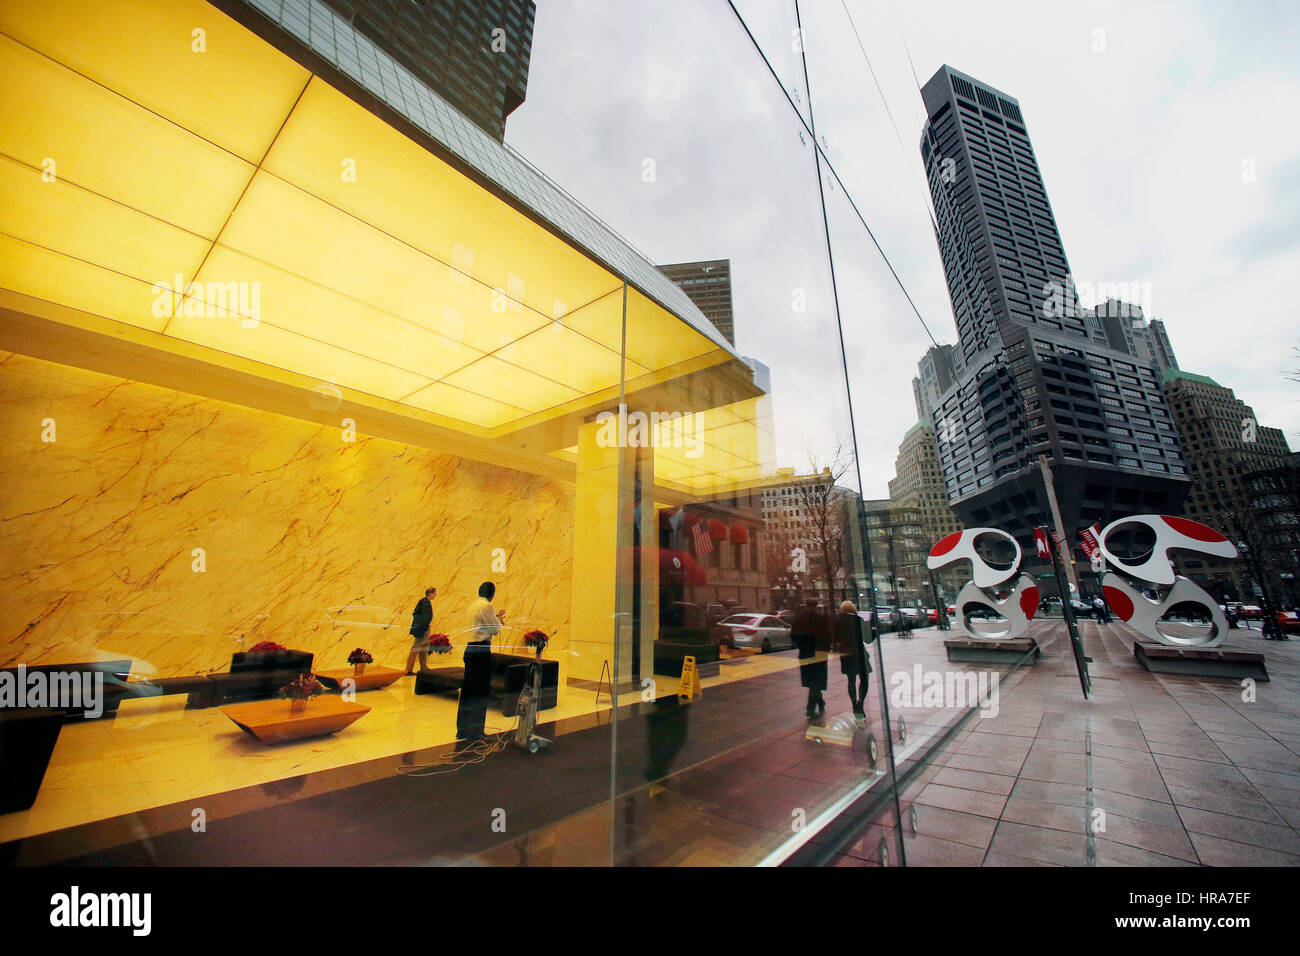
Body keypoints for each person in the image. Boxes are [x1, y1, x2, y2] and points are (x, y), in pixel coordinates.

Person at [457, 581, 503, 741]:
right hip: (481, 650)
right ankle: (476, 731)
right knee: (480, 690)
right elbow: (495, 629)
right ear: (492, 594)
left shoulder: (472, 606)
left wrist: (496, 620)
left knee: (468, 690)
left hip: (470, 649)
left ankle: (463, 729)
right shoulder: (487, 606)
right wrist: (498, 621)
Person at [790, 597, 830, 719]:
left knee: (812, 680)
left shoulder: (798, 617)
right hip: (818, 652)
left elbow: (793, 635)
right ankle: (810, 709)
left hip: (804, 652)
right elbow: (827, 635)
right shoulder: (819, 617)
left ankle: (820, 702)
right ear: (816, 605)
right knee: (816, 681)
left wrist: (802, 645)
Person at [835, 601, 872, 721]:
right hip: (859, 653)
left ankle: (854, 704)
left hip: (846, 654)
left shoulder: (837, 622)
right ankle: (860, 702)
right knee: (864, 678)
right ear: (853, 609)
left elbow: (835, 639)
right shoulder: (858, 620)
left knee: (851, 680)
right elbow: (867, 639)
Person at [405, 586, 437, 675]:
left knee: (423, 648)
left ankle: (424, 667)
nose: (436, 595)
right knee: (416, 648)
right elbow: (424, 617)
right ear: (430, 593)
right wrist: (424, 626)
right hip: (422, 629)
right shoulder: (425, 602)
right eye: (435, 593)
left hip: (421, 628)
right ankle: (408, 669)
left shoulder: (423, 601)